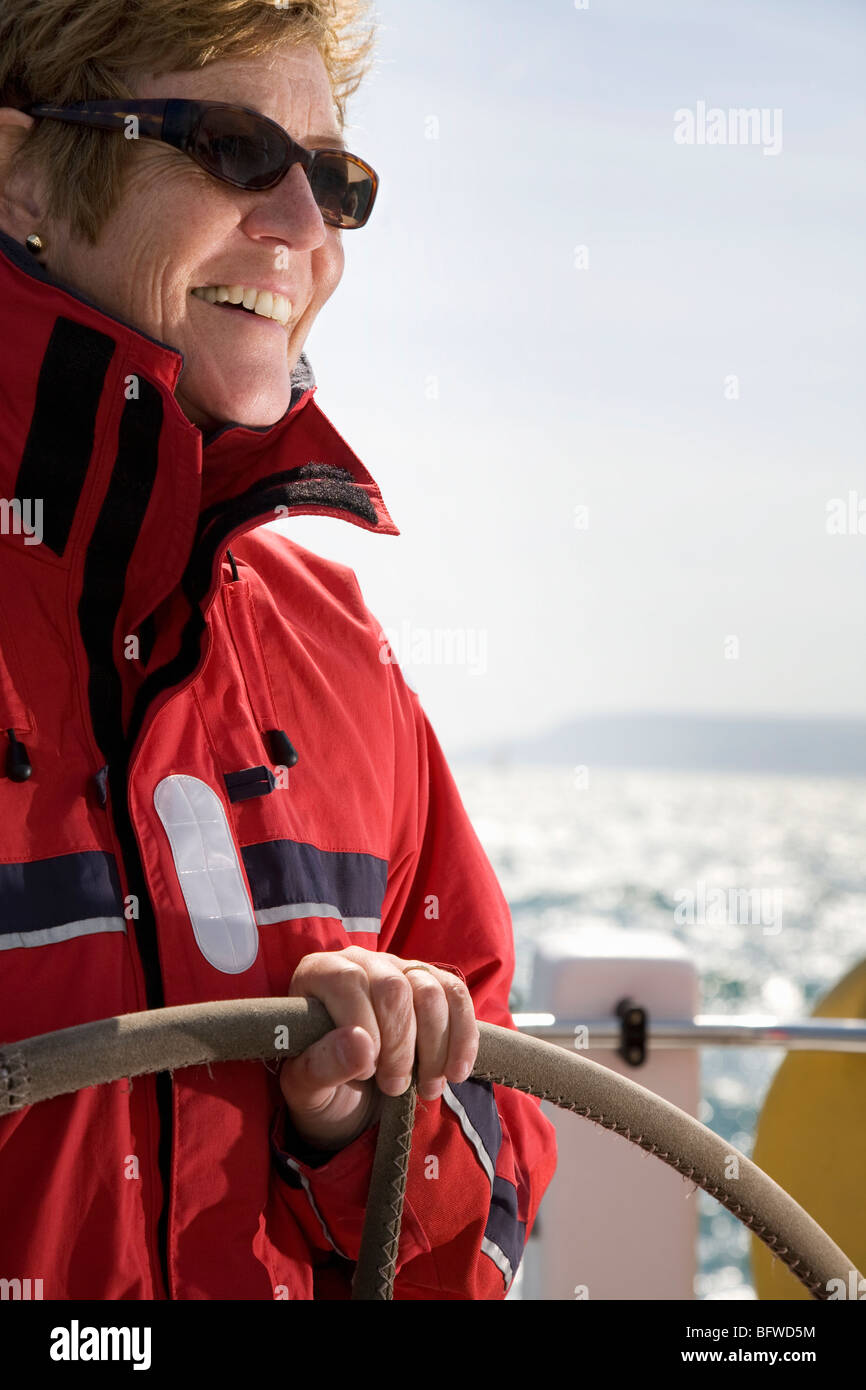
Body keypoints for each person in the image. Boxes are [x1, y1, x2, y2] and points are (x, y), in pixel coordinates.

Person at [0, 0, 556, 1300]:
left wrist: (362, 1118)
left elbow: (470, 1250)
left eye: (335, 180)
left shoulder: (341, 653)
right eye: (233, 150)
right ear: (21, 170)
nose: (305, 231)